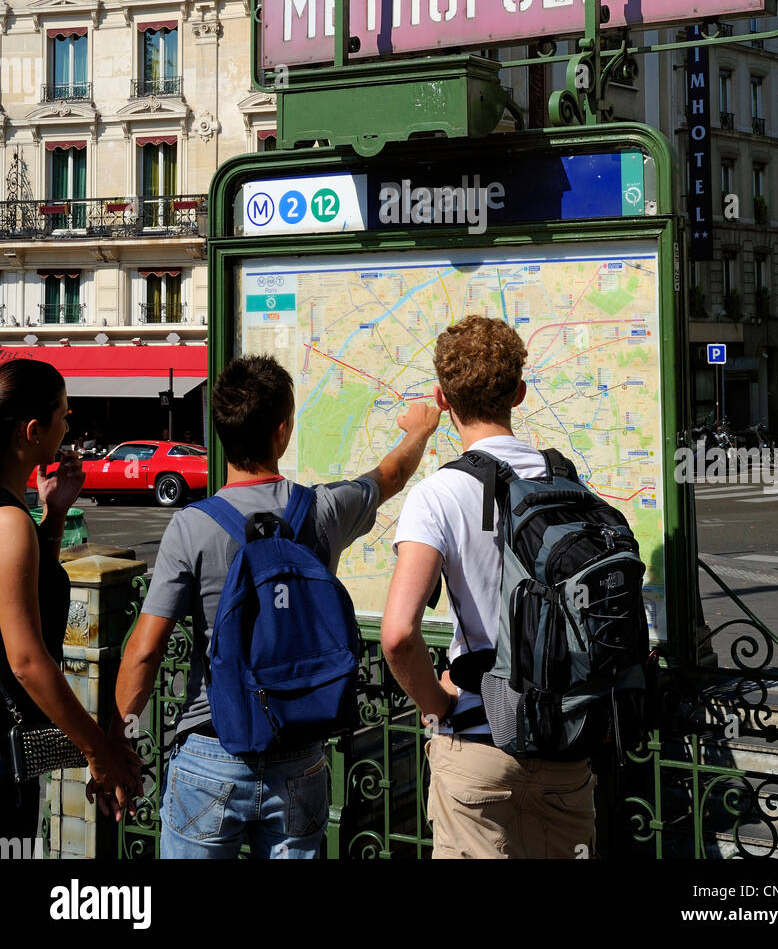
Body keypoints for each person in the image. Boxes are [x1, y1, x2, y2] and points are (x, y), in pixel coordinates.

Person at [113, 353, 440, 859]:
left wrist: (123, 739)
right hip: (299, 754)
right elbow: (390, 475)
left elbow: (145, 651)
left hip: (210, 747)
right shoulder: (322, 510)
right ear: (282, 431)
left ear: (220, 431)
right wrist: (420, 429)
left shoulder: (191, 526)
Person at [381, 316, 597, 860]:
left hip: (477, 744)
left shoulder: (438, 495)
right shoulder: (566, 481)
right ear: (519, 393)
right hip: (565, 740)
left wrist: (438, 704)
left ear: (442, 398)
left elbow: (398, 634)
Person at [0, 359, 142, 840]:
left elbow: (24, 588)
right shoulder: (9, 521)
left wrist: (54, 514)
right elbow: (26, 660)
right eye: (63, 415)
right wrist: (99, 752)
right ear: (33, 430)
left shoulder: (14, 516)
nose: (68, 427)